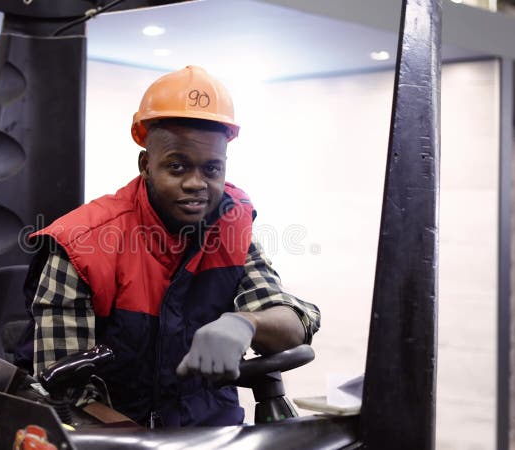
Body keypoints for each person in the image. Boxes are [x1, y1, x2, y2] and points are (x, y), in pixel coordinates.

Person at [22, 65, 320, 427]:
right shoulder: (82, 245)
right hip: (118, 437)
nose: (197, 184)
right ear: (146, 164)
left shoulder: (231, 226)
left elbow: (294, 319)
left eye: (212, 169)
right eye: (177, 167)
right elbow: (64, 397)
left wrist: (247, 322)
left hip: (215, 435)